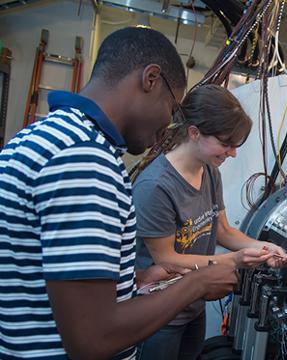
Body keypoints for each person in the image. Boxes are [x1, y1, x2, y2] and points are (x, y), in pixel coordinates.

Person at [0, 27, 239, 360]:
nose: (167, 128)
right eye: (171, 110)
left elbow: (45, 277)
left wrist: (133, 281)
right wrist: (197, 284)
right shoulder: (84, 159)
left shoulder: (45, 138)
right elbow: (92, 338)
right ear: (150, 79)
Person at [130, 84, 287, 360]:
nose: (232, 153)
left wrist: (263, 248)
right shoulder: (156, 186)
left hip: (193, 306)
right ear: (194, 132)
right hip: (160, 315)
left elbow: (223, 230)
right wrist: (235, 260)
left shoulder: (209, 172)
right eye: (226, 143)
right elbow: (167, 260)